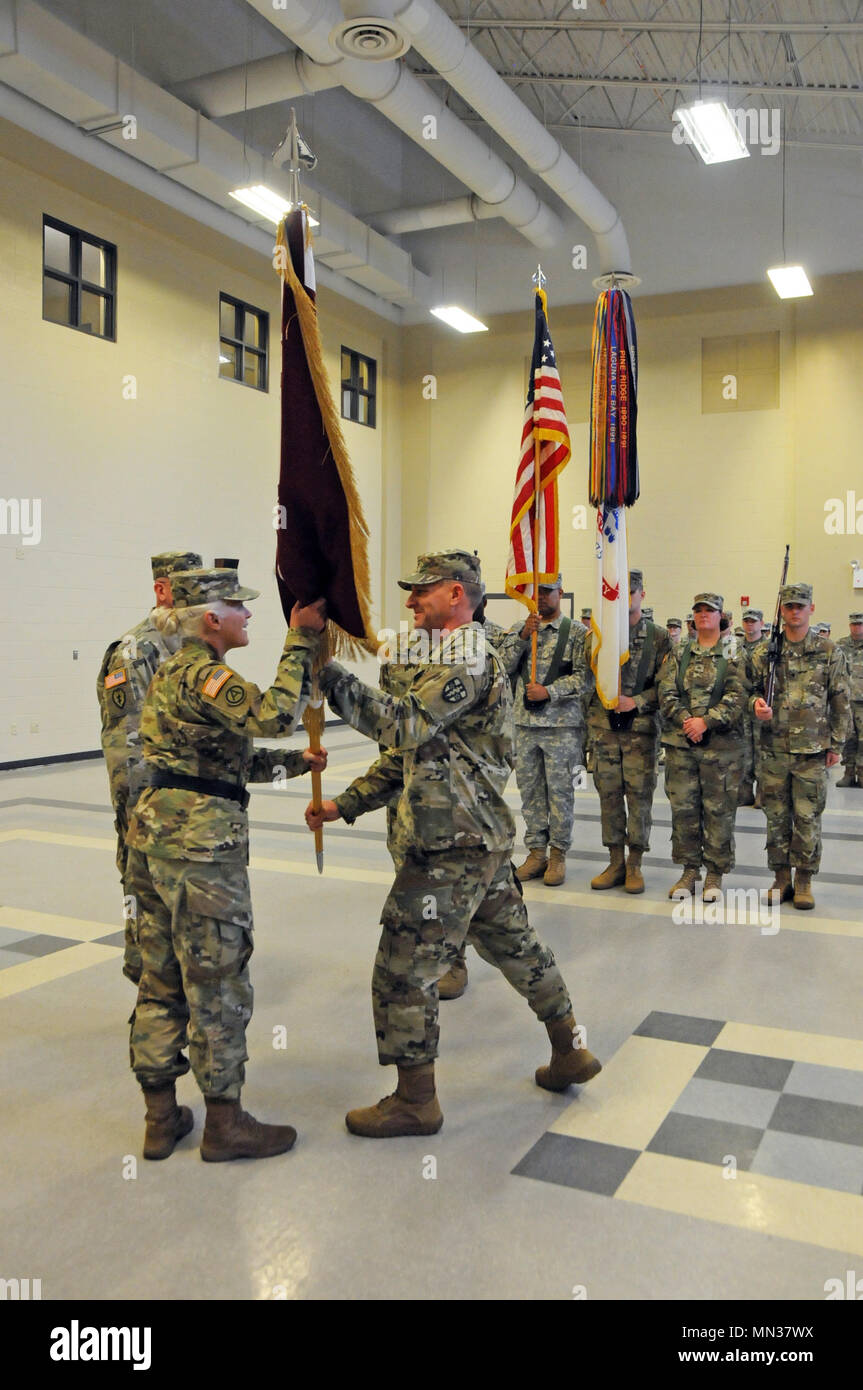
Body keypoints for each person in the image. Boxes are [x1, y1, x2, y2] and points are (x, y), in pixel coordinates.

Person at [306, 550, 601, 1139]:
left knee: (401, 971)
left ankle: (417, 1101)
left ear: (458, 595)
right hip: (475, 841)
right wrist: (348, 803)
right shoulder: (443, 654)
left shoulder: (467, 656)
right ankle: (570, 1051)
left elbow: (403, 725)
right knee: (518, 949)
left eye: (423, 591)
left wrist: (328, 671)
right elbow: (411, 755)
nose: (411, 601)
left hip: (451, 846)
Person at [125, 568, 327, 1161]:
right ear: (211, 619)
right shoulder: (204, 673)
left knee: (160, 980)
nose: (247, 615)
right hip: (200, 850)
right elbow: (271, 717)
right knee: (217, 978)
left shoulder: (171, 673)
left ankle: (161, 1118)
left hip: (155, 839)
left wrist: (294, 765)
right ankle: (225, 1123)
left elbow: (213, 761)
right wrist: (298, 639)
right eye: (238, 607)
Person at [97, 550, 203, 984]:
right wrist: (142, 810)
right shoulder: (135, 652)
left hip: (185, 795)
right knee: (140, 880)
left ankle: (175, 967)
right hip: (148, 795)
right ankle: (142, 966)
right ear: (161, 590)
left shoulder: (190, 644)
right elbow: (127, 744)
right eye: (185, 589)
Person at [748, 583, 850, 909]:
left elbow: (841, 701)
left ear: (811, 609)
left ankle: (804, 879)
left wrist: (837, 744)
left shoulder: (829, 651)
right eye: (789, 605)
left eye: (800, 606)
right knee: (776, 817)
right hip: (774, 748)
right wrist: (756, 704)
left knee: (807, 818)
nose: (795, 611)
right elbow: (747, 690)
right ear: (781, 610)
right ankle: (781, 879)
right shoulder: (766, 652)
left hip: (812, 750)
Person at [499, 576, 591, 887]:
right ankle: (536, 852)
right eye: (535, 592)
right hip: (524, 726)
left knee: (561, 794)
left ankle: (558, 854)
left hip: (562, 729)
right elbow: (503, 665)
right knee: (531, 794)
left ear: (561, 594)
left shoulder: (577, 633)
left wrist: (550, 691)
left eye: (547, 592)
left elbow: (585, 679)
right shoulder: (519, 630)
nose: (540, 598)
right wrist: (525, 634)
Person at [658, 593, 747, 901]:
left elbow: (738, 697)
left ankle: (714, 874)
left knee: (718, 811)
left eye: (710, 610)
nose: (703, 615)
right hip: (682, 746)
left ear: (720, 615)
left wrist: (706, 722)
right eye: (698, 610)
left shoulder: (734, 652)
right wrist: (687, 721)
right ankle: (689, 870)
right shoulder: (680, 651)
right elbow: (666, 691)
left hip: (721, 749)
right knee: (683, 809)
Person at [587, 570, 671, 894]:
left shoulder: (659, 637)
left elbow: (665, 688)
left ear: (641, 595)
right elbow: (585, 683)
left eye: (632, 592)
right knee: (608, 797)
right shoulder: (597, 636)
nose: (626, 598)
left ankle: (635, 863)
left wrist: (634, 701)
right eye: (620, 593)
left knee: (639, 799)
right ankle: (615, 861)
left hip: (640, 732)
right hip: (605, 730)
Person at [737, 607, 768, 806]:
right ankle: (745, 791)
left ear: (761, 624)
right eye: (747, 621)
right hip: (740, 706)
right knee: (743, 750)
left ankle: (762, 794)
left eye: (753, 621)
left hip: (759, 704)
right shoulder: (734, 646)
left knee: (761, 749)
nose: (750, 624)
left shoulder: (768, 647)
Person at [837, 612, 863, 787]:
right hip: (845, 699)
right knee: (848, 737)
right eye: (854, 624)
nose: (857, 627)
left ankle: (862, 773)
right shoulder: (840, 646)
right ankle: (848, 772)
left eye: (860, 624)